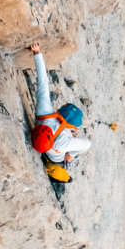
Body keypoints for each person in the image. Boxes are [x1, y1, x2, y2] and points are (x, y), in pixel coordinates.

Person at [26, 42, 91, 183]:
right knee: (65, 175)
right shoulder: (63, 142)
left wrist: (37, 53)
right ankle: (67, 179)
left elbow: (42, 83)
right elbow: (87, 145)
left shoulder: (45, 112)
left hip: (42, 141)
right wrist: (72, 155)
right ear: (69, 126)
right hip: (54, 159)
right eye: (74, 127)